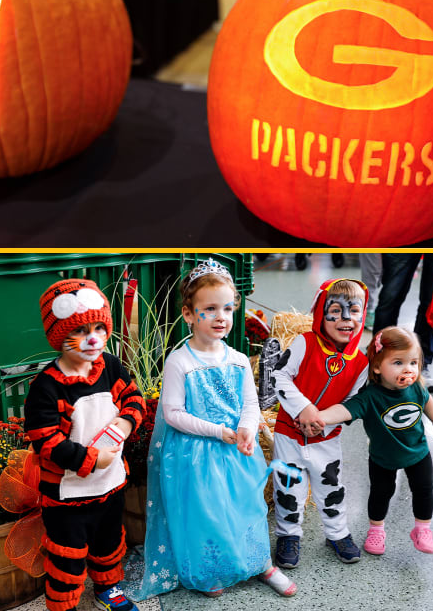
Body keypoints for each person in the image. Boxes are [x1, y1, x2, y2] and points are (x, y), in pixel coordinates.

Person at [137, 259, 296, 599]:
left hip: (236, 451)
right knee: (207, 512)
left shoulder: (237, 359)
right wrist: (218, 432)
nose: (221, 316)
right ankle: (212, 568)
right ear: (189, 315)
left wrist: (246, 430)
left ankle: (261, 563)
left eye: (227, 307)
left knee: (248, 506)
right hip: (196, 454)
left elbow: (249, 405)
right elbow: (175, 413)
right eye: (209, 309)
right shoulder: (180, 361)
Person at [24, 278, 146, 611]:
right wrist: (91, 459)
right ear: (58, 336)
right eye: (79, 331)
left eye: (98, 328)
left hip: (110, 484)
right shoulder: (46, 388)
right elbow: (46, 442)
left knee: (109, 543)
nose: (92, 339)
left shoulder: (110, 366)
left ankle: (109, 588)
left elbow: (134, 397)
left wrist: (126, 420)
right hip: (67, 495)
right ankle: (63, 604)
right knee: (67, 554)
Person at [316, 327, 433, 555]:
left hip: (417, 451)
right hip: (383, 457)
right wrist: (319, 416)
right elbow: (345, 410)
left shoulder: (415, 386)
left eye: (413, 363)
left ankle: (422, 529)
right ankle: (376, 529)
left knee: (424, 489)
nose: (409, 369)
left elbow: (427, 401)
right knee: (381, 492)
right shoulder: (371, 397)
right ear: (377, 367)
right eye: (398, 362)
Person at [268, 278, 370, 568]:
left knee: (332, 489)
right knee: (288, 488)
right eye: (335, 310)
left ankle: (337, 534)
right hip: (289, 435)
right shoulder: (305, 343)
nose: (345, 319)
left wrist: (321, 420)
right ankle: (289, 534)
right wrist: (305, 409)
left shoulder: (359, 363)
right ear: (319, 313)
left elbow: (354, 403)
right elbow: (280, 375)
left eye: (354, 310)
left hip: (327, 439)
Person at [372, 253, 433, 392]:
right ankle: (378, 358)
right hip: (405, 234)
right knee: (390, 295)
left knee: (432, 303)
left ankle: (419, 364)